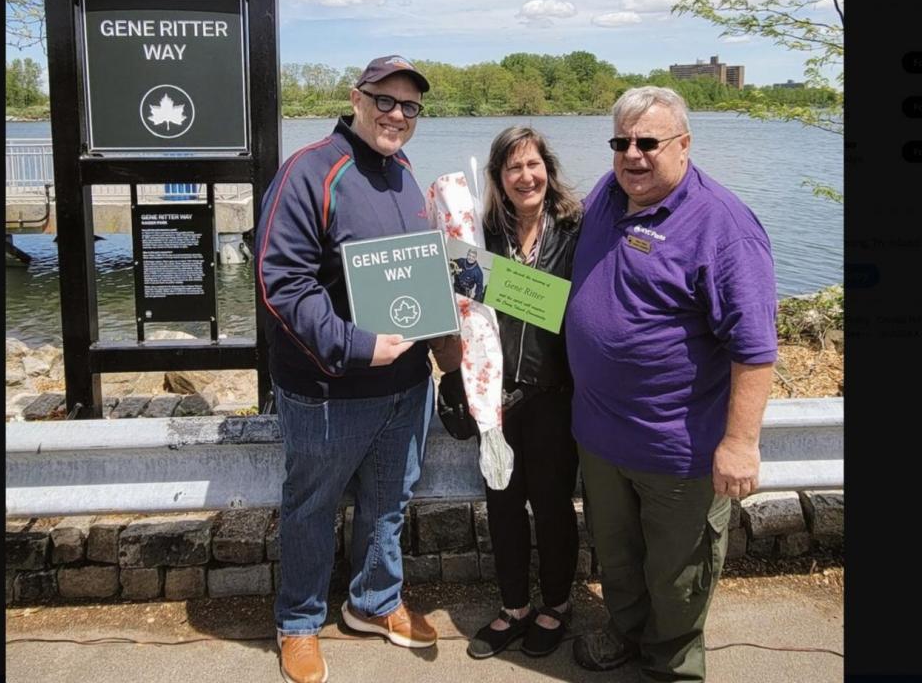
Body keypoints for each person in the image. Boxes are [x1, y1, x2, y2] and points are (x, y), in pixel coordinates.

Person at [565, 86, 777, 682]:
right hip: (601, 437)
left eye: (649, 143)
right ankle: (624, 633)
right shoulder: (610, 194)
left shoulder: (724, 228)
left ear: (684, 145)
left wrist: (740, 443)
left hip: (677, 450)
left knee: (678, 574)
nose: (633, 155)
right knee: (619, 557)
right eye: (621, 142)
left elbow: (755, 350)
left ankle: (673, 663)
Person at [256, 55, 456, 683]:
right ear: (356, 98)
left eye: (410, 106)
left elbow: (414, 270)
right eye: (385, 100)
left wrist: (450, 305)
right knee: (312, 506)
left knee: (389, 499)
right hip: (329, 386)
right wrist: (353, 344)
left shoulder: (402, 171)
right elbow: (280, 281)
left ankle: (373, 602)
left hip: (406, 383)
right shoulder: (310, 169)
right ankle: (299, 621)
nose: (397, 114)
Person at [464, 126, 582, 660]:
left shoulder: (576, 228)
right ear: (497, 178)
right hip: (497, 398)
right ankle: (514, 606)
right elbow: (457, 308)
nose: (525, 176)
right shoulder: (483, 234)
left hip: (557, 395)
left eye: (533, 164)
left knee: (554, 506)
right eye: (513, 167)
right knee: (503, 506)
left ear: (548, 170)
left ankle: (556, 603)